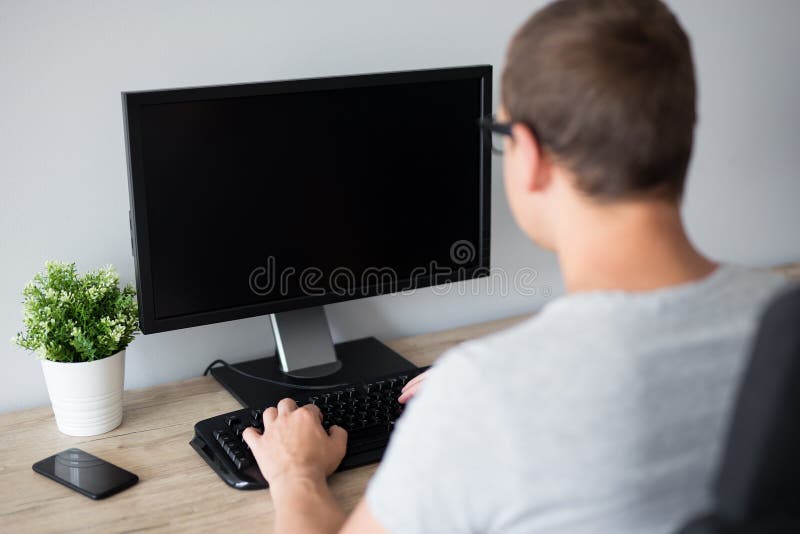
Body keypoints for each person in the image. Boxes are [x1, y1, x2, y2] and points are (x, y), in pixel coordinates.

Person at [242, 0, 787, 532]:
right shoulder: (782, 318)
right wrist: (493, 377)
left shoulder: (486, 399)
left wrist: (296, 472)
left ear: (529, 154)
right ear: (684, 136)